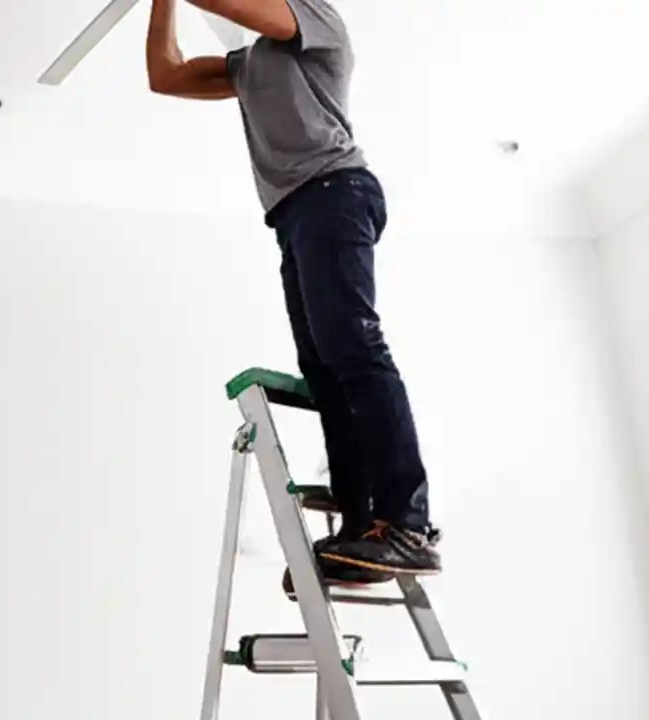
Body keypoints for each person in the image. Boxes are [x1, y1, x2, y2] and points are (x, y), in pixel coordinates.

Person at [146, 0, 441, 578]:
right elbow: (166, 75)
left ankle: (407, 523)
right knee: (325, 365)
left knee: (353, 349)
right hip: (295, 214)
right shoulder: (246, 65)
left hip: (336, 191)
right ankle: (362, 526)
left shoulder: (318, 24)